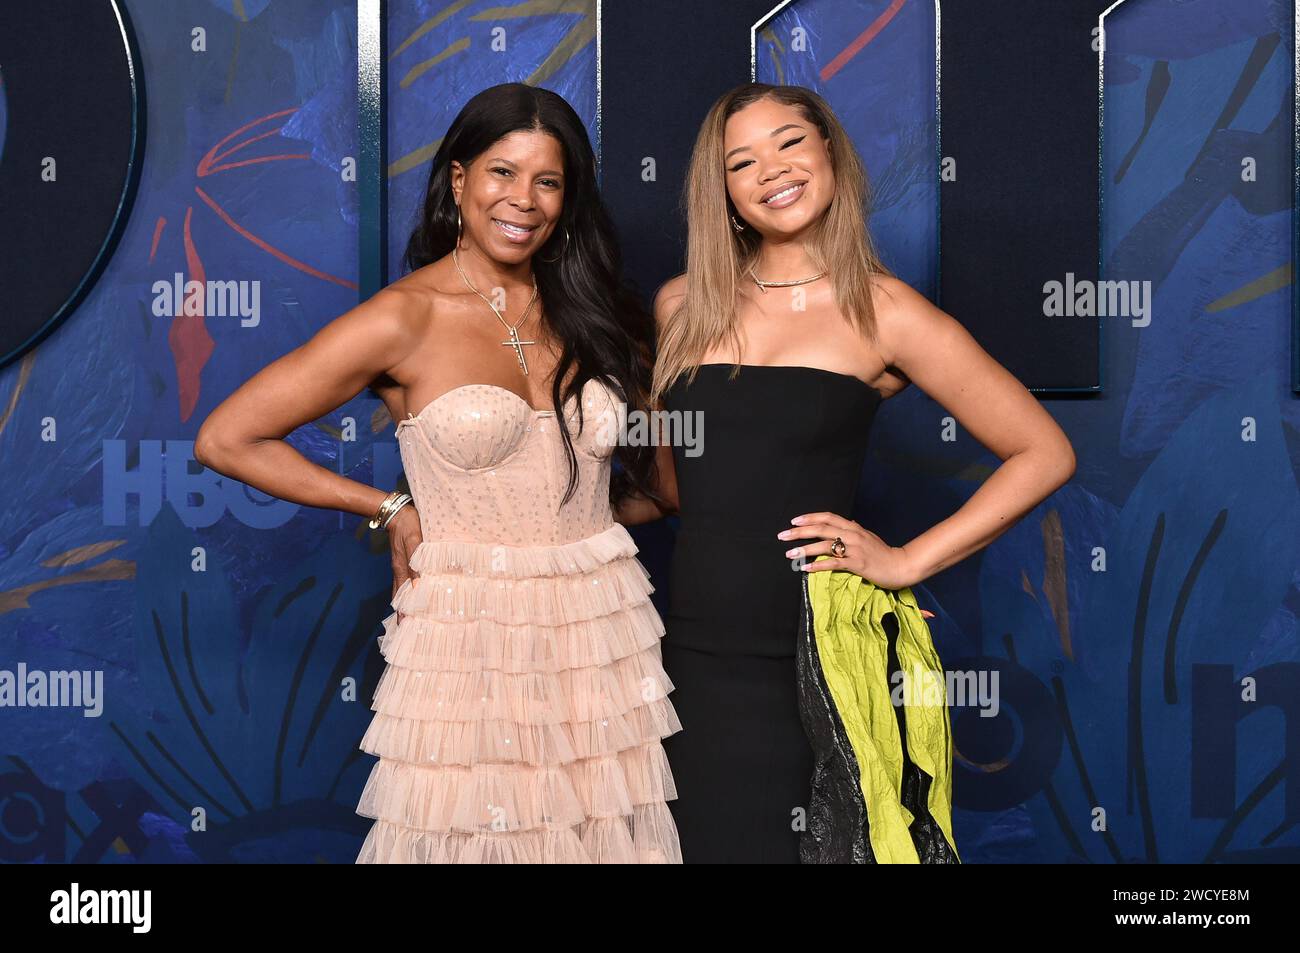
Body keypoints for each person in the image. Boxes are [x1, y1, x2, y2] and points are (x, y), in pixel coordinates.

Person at [195, 83, 683, 863]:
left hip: (599, 636)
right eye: (501, 172)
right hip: (470, 645)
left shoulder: (595, 311)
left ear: (568, 198)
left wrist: (573, 527)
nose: (523, 199)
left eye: (547, 181)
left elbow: (664, 491)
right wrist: (393, 508)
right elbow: (228, 438)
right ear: (459, 181)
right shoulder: (405, 316)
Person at [649, 83, 1077, 863]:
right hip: (689, 658)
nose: (771, 169)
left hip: (819, 654)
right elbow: (673, 486)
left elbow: (1045, 451)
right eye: (740, 161)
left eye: (788, 143)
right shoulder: (681, 306)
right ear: (724, 195)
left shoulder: (886, 311)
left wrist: (907, 561)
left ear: (830, 157)